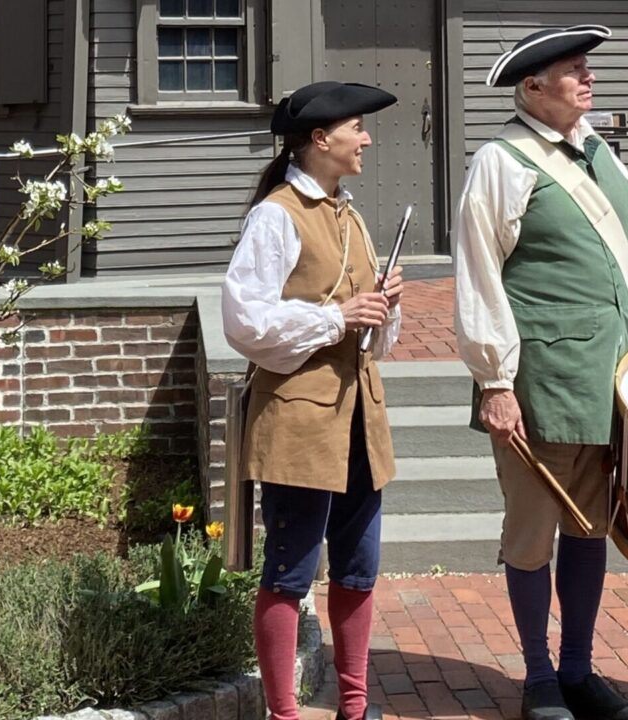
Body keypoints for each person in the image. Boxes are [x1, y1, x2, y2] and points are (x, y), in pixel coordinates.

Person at [453, 25, 628, 720]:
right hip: (537, 382)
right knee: (534, 533)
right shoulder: (502, 163)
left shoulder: (603, 156)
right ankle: (538, 675)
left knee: (591, 530)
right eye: (574, 70)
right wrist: (494, 381)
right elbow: (478, 275)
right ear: (533, 87)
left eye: (586, 67)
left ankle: (577, 671)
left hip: (607, 374)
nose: (587, 78)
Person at [222, 81, 404, 720]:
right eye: (357, 128)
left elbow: (375, 342)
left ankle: (354, 708)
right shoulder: (277, 214)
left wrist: (384, 306)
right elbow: (245, 323)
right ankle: (285, 714)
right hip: (300, 418)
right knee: (290, 573)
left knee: (358, 568)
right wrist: (337, 319)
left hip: (357, 419)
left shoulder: (348, 214)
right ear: (320, 139)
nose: (366, 138)